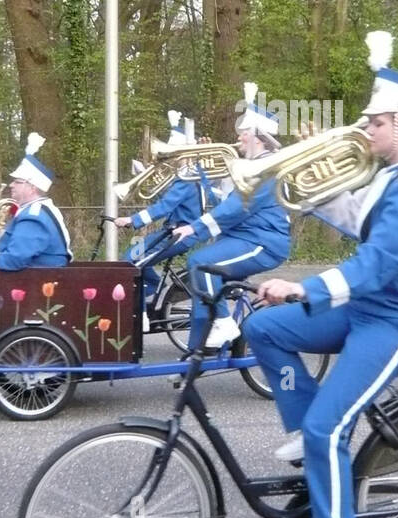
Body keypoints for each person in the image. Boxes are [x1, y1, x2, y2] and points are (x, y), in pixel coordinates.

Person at [242, 30, 398, 518]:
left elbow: (372, 267)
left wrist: (300, 288)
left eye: (375, 122)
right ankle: (305, 430)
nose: (366, 129)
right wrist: (307, 190)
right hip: (367, 309)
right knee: (261, 327)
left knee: (327, 431)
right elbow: (357, 219)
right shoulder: (387, 177)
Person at [170, 82, 290, 349]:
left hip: (263, 242)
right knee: (202, 287)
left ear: (259, 136)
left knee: (200, 264)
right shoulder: (248, 166)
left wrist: (194, 229)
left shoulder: (266, 168)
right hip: (244, 236)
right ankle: (195, 358)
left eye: (245, 131)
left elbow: (236, 208)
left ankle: (224, 323)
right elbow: (222, 202)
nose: (240, 136)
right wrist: (201, 171)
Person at [116, 112, 214, 316]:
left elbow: (164, 207)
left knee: (130, 262)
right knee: (134, 258)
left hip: (178, 233)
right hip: (180, 231)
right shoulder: (196, 174)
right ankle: (150, 286)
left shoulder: (186, 178)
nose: (167, 160)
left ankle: (138, 314)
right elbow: (171, 199)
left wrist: (132, 220)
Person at [0, 133, 72, 270]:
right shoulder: (35, 211)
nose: (11, 185)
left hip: (32, 281)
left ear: (32, 188)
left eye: (17, 182)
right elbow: (18, 242)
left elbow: (14, 259)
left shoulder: (34, 216)